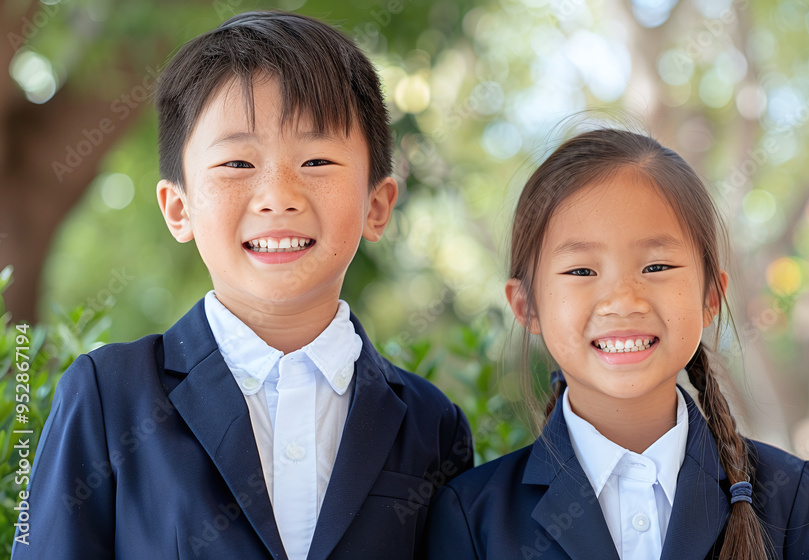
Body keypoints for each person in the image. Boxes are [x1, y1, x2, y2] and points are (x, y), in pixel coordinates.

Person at [13, 11, 472, 560]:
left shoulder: (431, 425)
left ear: (377, 205)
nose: (278, 195)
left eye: (317, 159)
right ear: (178, 208)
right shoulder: (107, 396)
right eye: (236, 162)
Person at [422, 128, 809, 559]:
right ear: (527, 307)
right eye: (581, 271)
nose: (623, 301)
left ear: (710, 297)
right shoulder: (473, 516)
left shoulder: (788, 495)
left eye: (656, 266)